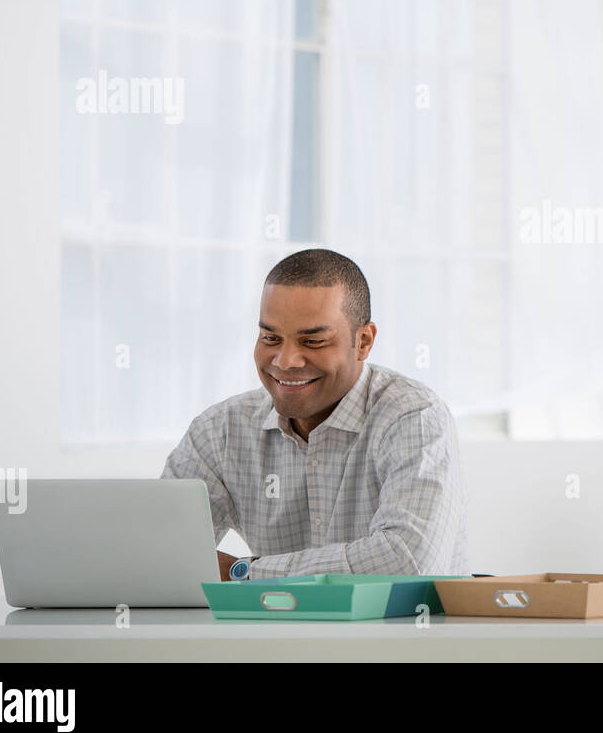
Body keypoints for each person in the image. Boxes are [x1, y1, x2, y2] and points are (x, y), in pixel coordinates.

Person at [161, 248, 469, 581]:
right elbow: (157, 548)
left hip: (398, 633)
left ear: (363, 341)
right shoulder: (219, 431)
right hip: (272, 632)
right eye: (270, 337)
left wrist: (245, 572)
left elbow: (408, 562)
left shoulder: (415, 418)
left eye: (313, 341)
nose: (285, 360)